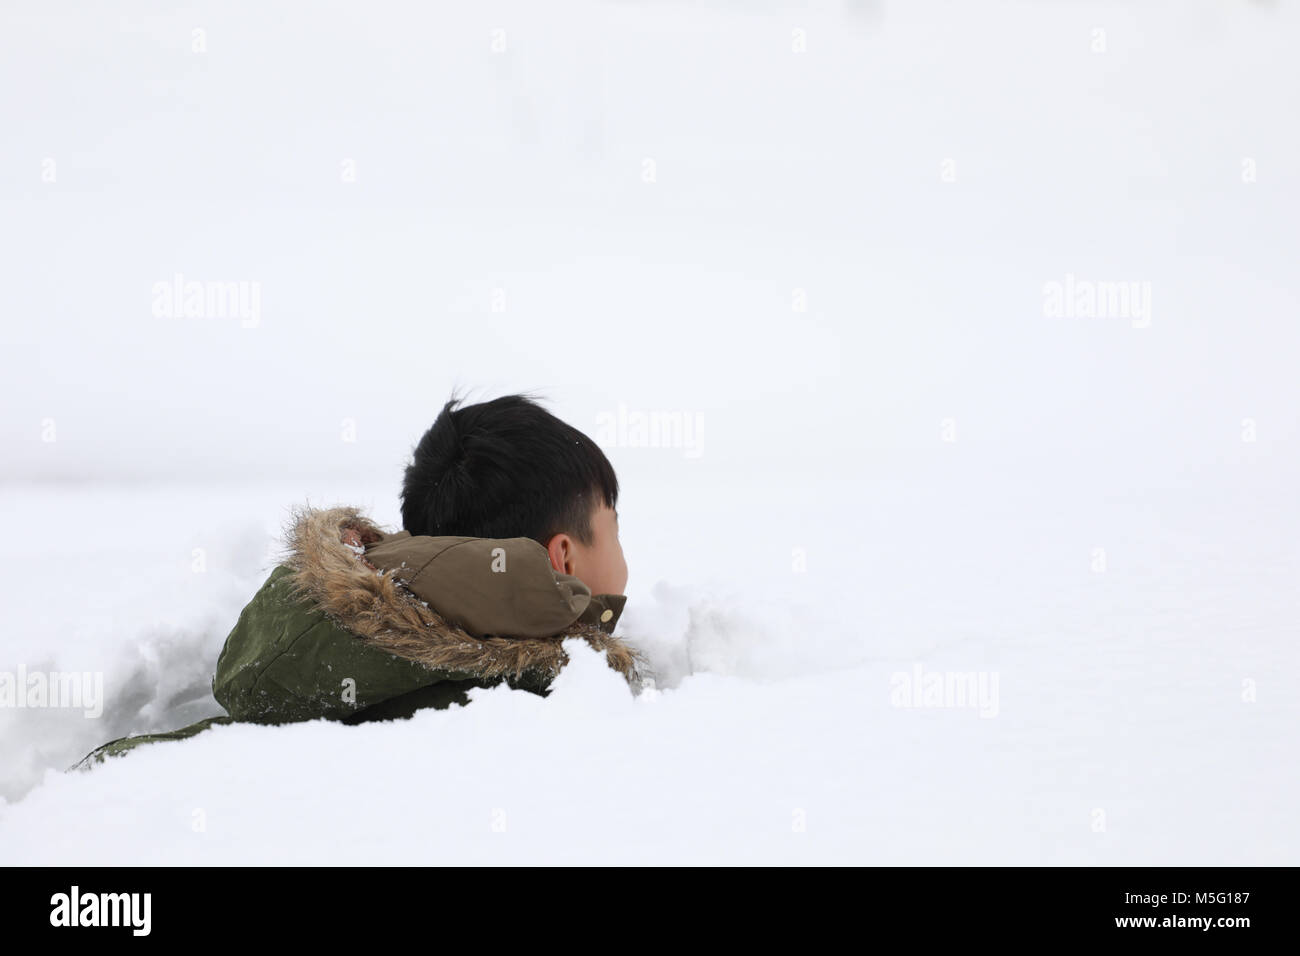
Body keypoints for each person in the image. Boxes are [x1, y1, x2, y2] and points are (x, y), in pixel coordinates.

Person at [75, 394, 647, 767]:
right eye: (614, 528)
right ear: (564, 560)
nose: (624, 553)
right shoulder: (549, 722)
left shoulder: (325, 653)